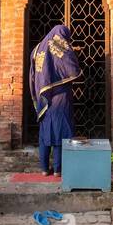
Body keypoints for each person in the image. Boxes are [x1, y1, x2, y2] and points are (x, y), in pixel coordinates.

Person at [29, 23, 81, 177]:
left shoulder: (37, 48)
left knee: (45, 134)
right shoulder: (56, 44)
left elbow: (32, 75)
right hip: (60, 96)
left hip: (43, 97)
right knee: (60, 132)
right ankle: (58, 170)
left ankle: (44, 169)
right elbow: (72, 67)